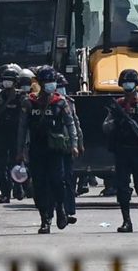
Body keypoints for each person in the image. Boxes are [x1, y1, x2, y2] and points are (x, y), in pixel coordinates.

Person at [18, 66, 77, 234]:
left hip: (55, 149)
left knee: (58, 181)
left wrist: (73, 144)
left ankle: (61, 208)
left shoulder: (60, 102)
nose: (50, 85)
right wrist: (20, 151)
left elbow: (70, 124)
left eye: (53, 82)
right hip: (37, 149)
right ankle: (45, 219)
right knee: (40, 185)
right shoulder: (29, 102)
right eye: (47, 82)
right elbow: (22, 129)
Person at [103, 69, 138, 233]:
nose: (128, 85)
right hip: (122, 150)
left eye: (131, 82)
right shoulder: (118, 105)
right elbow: (105, 126)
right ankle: (126, 220)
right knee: (122, 186)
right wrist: (115, 121)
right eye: (125, 82)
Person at [0, 66, 22, 204]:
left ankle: (19, 187)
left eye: (10, 80)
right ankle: (5, 193)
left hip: (17, 134)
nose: (7, 83)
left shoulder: (21, 97)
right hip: (1, 134)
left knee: (17, 163)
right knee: (1, 164)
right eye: (5, 80)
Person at [57, 73, 83, 223]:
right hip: (50, 146)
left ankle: (69, 210)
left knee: (68, 179)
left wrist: (79, 143)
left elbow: (75, 124)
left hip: (66, 146)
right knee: (55, 179)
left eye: (62, 87)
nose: (61, 89)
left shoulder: (69, 103)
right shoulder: (43, 102)